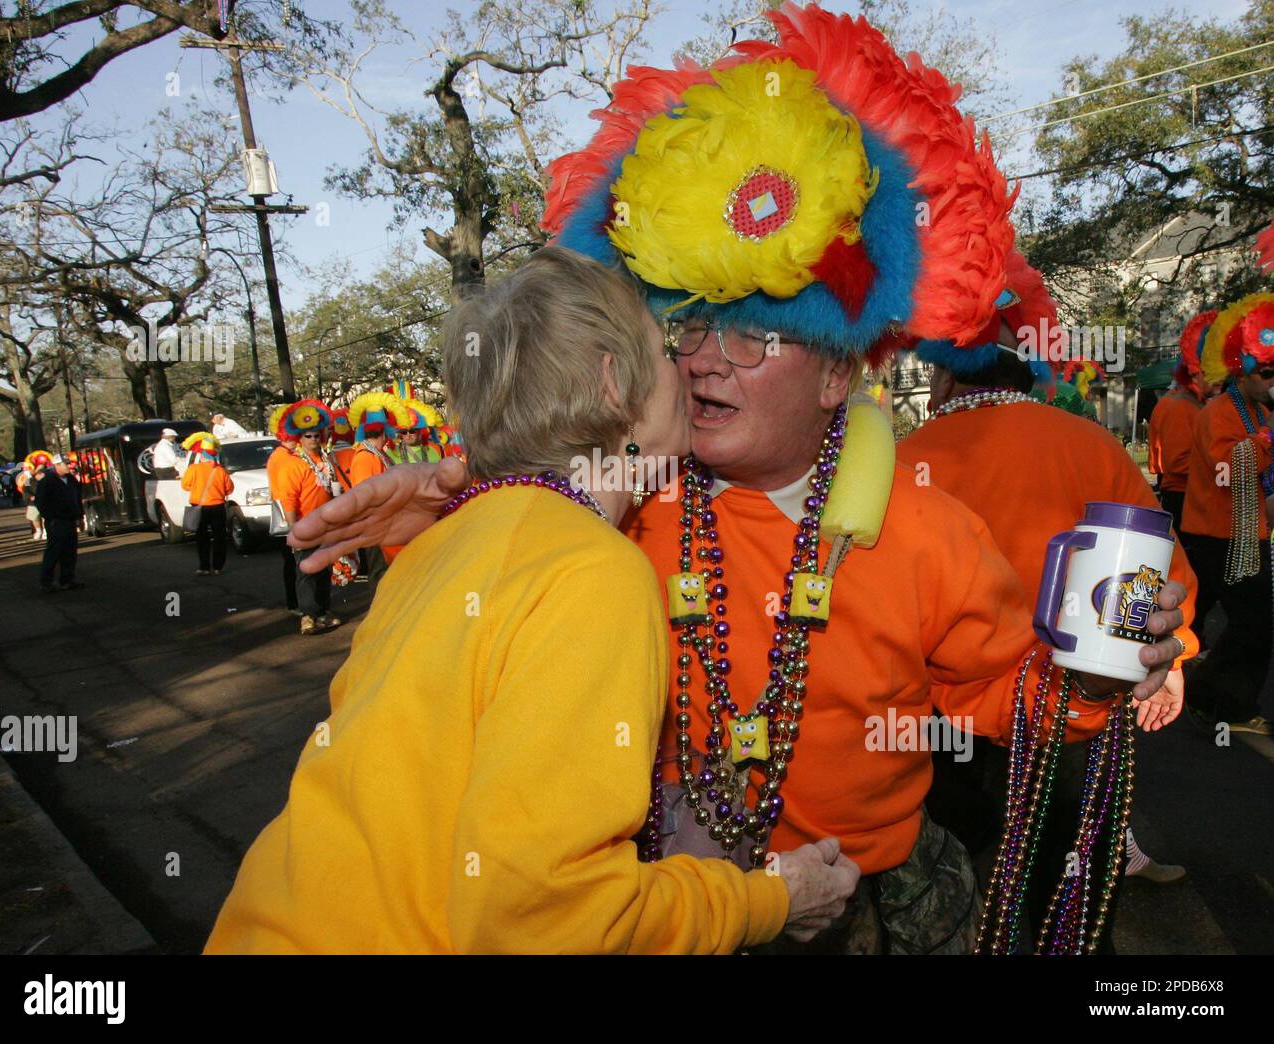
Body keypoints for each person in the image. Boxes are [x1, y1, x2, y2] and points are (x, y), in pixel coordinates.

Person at [290, 5, 1187, 955]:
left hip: (870, 899)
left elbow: (1008, 696)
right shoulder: (620, 509)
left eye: (754, 336)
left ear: (839, 373)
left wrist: (1096, 674)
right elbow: (474, 643)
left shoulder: (922, 528)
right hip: (659, 910)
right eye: (692, 329)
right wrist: (467, 492)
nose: (706, 362)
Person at [206, 247, 854, 954]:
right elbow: (552, 919)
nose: (690, 366)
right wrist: (769, 899)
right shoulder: (592, 569)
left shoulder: (442, 544)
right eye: (664, 347)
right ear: (615, 387)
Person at [899, 251, 1195, 935]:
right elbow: (1163, 575)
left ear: (942, 373)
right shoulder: (1092, 444)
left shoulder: (906, 458)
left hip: (938, 724)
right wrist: (1172, 660)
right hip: (1073, 709)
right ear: (1028, 369)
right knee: (1068, 906)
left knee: (953, 899)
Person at [1182, 292, 1274, 735]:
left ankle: (1201, 693)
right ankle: (1221, 702)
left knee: (1212, 619)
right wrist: (1267, 441)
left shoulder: (1254, 411)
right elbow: (1228, 472)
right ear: (1245, 370)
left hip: (1239, 532)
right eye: (1269, 372)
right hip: (1221, 536)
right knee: (1254, 625)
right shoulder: (1221, 412)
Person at [1151, 312, 1222, 644]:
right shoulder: (1181, 407)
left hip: (1181, 495)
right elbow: (1178, 462)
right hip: (1182, 497)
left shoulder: (1184, 404)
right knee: (1193, 573)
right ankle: (1189, 636)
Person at [272, 399, 340, 635]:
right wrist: (294, 529)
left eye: (316, 436)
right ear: (299, 438)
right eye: (308, 436)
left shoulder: (328, 461)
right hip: (304, 524)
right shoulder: (292, 465)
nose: (313, 440)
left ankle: (323, 611)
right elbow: (289, 499)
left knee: (324, 570)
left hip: (327, 524)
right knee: (306, 571)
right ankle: (308, 615)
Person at [346, 391, 412, 587]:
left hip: (385, 521)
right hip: (374, 523)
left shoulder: (378, 454)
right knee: (379, 573)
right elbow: (365, 495)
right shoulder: (365, 457)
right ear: (384, 432)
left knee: (389, 571)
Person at [180, 432, 235, 576]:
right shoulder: (220, 470)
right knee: (219, 538)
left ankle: (204, 567)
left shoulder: (193, 469)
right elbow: (229, 488)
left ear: (202, 455)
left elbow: (185, 485)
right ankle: (218, 567)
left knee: (202, 538)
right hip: (218, 507)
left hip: (199, 507)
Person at [265, 405, 301, 617]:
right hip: (288, 512)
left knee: (291, 561)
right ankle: (294, 602)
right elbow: (288, 492)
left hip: (285, 510)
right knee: (293, 562)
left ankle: (294, 601)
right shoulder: (284, 458)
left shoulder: (278, 456)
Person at [36, 454, 84, 593]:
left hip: (70, 521)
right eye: (65, 464)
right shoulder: (47, 481)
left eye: (69, 463)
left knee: (70, 551)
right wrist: (50, 517)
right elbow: (41, 502)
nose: (69, 466)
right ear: (56, 465)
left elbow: (77, 498)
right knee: (54, 552)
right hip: (56, 522)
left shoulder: (71, 480)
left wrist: (80, 517)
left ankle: (67, 580)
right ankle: (46, 583)